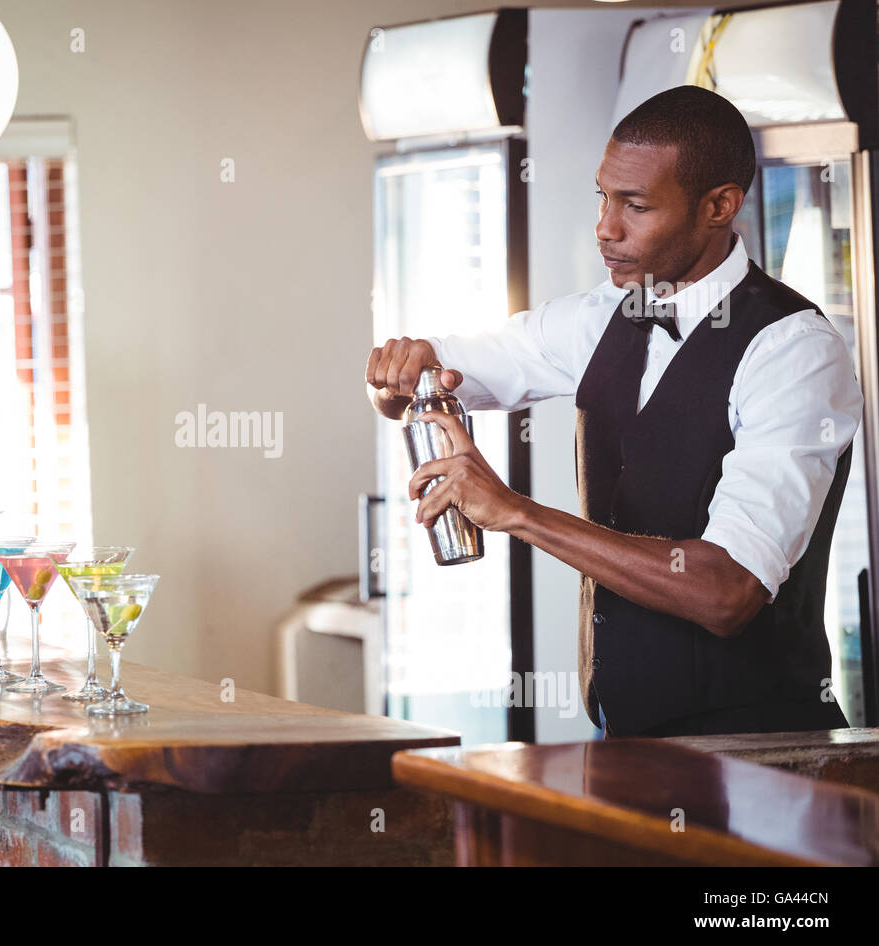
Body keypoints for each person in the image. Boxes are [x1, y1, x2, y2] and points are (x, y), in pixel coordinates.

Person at [365, 85, 862, 739]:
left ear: (719, 207)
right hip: (622, 734)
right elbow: (423, 377)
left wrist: (515, 511)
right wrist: (395, 377)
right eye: (603, 196)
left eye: (636, 205)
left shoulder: (792, 348)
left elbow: (727, 590)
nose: (605, 227)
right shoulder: (599, 317)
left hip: (762, 750)